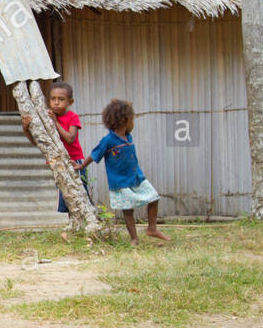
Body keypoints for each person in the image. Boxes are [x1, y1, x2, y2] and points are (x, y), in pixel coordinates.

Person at [74, 99, 170, 244]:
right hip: (120, 181)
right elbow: (95, 154)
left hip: (137, 177)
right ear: (125, 120)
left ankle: (152, 228)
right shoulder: (108, 140)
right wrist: (81, 166)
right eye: (132, 119)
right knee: (127, 209)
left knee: (154, 198)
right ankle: (134, 238)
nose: (133, 123)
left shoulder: (128, 137)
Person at [21, 80, 89, 213]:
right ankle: (74, 224)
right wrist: (25, 129)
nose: (56, 102)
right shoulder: (46, 118)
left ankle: (85, 222)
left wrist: (55, 122)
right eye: (53, 99)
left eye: (61, 99)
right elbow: (39, 142)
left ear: (70, 101)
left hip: (74, 162)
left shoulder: (72, 117)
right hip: (57, 162)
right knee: (66, 196)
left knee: (80, 195)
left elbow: (70, 138)